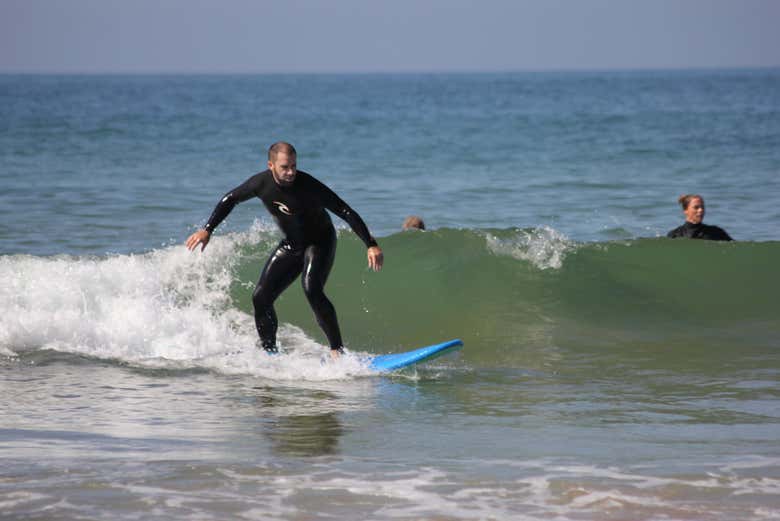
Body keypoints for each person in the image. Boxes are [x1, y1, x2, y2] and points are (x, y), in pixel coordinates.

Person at [185, 142, 383, 357]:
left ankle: (337, 350)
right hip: (292, 244)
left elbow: (344, 210)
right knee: (260, 297)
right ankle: (270, 353)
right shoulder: (260, 183)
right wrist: (208, 230)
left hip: (319, 242)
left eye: (294, 166)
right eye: (285, 167)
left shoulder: (308, 185)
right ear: (271, 165)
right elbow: (231, 199)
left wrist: (370, 244)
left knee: (312, 289)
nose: (291, 172)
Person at [667, 194, 732, 241]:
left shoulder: (716, 232)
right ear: (685, 211)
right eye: (696, 207)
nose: (701, 210)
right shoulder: (675, 234)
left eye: (702, 207)